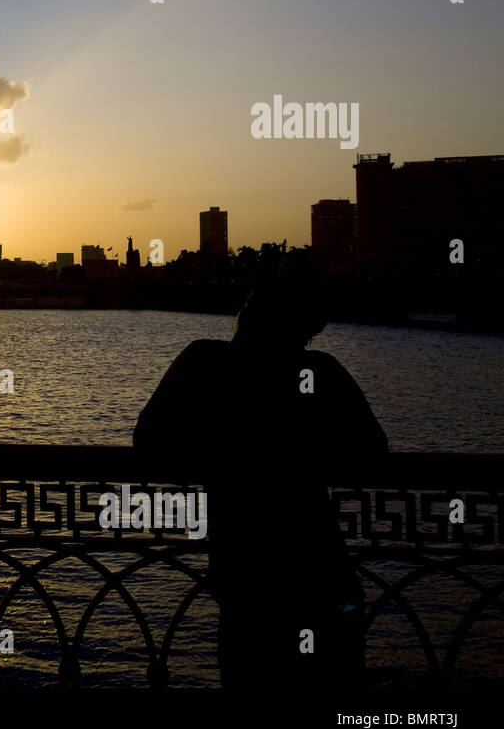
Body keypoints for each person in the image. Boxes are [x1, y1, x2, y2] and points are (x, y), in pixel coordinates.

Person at [134, 275, 386, 690]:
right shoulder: (320, 370)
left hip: (244, 570)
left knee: (249, 674)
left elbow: (150, 442)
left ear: (248, 315)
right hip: (318, 563)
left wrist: (221, 456)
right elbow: (371, 452)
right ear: (307, 328)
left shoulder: (204, 362)